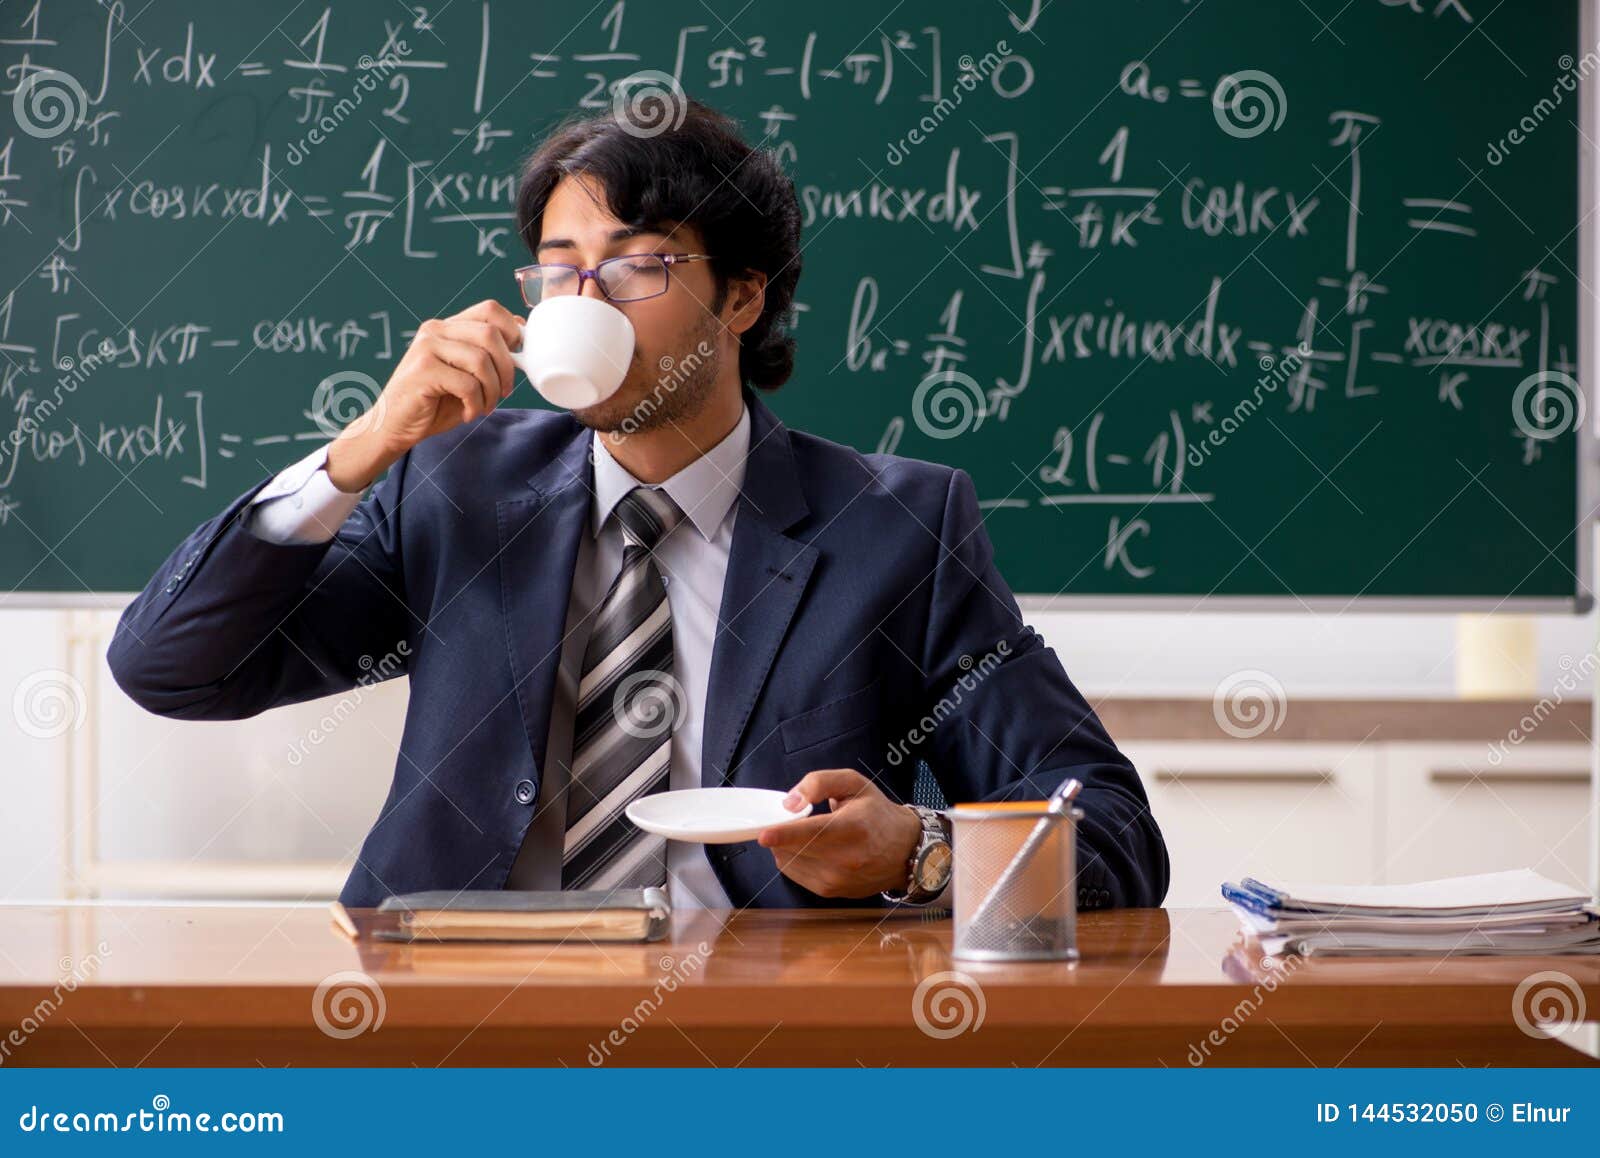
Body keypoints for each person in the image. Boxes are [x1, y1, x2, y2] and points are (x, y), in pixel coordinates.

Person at [106, 98, 1169, 913]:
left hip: (758, 1039)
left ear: (743, 297)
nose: (583, 303)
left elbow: (1112, 833)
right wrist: (359, 452)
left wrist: (916, 851)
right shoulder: (454, 485)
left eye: (634, 267)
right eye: (559, 272)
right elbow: (171, 669)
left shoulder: (898, 527)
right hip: (459, 1017)